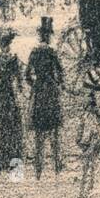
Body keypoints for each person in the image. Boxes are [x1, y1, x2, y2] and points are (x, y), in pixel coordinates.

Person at [25, 15, 65, 178]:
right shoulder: (52, 52)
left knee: (39, 135)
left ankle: (38, 169)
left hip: (40, 92)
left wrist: (34, 85)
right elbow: (61, 73)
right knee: (54, 132)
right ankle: (56, 167)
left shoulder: (34, 52)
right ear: (49, 36)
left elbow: (27, 75)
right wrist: (58, 84)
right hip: (51, 92)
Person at [0, 26, 24, 175]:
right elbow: (19, 80)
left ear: (0, 44)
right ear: (9, 44)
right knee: (12, 129)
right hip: (9, 96)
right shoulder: (14, 58)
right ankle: (14, 166)